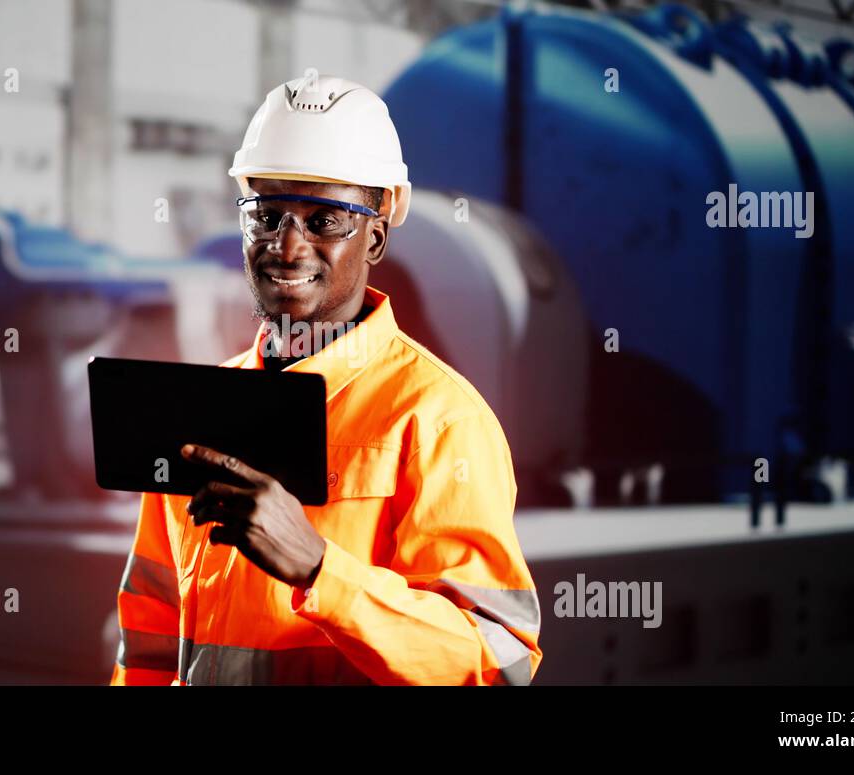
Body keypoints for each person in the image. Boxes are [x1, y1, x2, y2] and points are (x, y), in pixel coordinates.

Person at [111, 72, 542, 685]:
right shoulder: (201, 407)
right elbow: (148, 642)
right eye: (267, 213)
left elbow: (499, 665)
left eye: (324, 220)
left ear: (376, 236)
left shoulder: (438, 420)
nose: (286, 246)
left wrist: (320, 570)